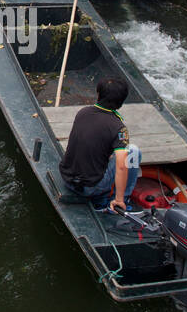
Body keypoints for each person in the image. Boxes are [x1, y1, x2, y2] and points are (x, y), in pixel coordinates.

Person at [58, 75, 141, 211]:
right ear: (121, 102)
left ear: (98, 94)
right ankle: (121, 201)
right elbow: (121, 166)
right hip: (90, 187)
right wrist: (119, 199)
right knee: (133, 151)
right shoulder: (118, 127)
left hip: (68, 179)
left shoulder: (83, 112)